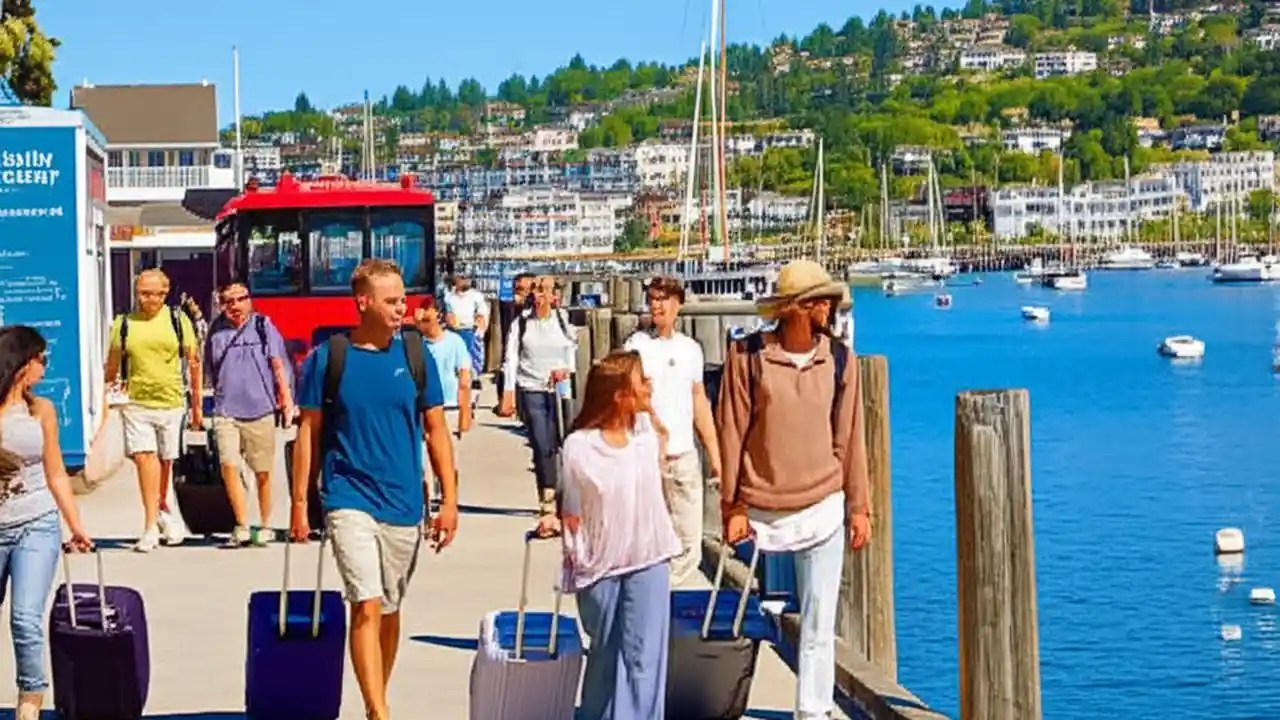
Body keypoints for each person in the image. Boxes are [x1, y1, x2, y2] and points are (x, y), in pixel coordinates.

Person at [290, 258, 458, 720]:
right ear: (362, 302)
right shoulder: (330, 357)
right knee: (364, 601)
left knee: (388, 606)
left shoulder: (416, 355)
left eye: (403, 299)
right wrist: (300, 502)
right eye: (390, 301)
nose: (401, 308)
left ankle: (373, 698)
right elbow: (308, 431)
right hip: (348, 497)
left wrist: (450, 501)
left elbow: (437, 431)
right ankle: (380, 712)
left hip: (404, 502)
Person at [716, 259, 871, 720]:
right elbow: (731, 433)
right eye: (819, 299)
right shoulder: (747, 358)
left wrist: (859, 507)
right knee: (750, 611)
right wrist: (732, 505)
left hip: (824, 503)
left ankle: (813, 710)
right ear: (796, 308)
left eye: (828, 298)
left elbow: (850, 436)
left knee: (821, 620)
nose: (828, 306)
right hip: (761, 508)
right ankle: (720, 690)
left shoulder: (841, 358)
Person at [559, 350, 679, 720]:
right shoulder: (579, 446)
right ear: (618, 394)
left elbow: (663, 446)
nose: (649, 386)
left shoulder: (646, 439)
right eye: (640, 381)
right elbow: (572, 508)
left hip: (650, 557)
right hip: (599, 564)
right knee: (605, 657)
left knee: (644, 660)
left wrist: (649, 411)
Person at [0, 326, 94, 720]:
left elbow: (57, 472)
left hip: (36, 522)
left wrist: (76, 525)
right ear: (20, 363)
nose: (44, 367)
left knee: (25, 617)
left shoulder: (42, 410)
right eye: (41, 359)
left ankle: (30, 702)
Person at [622, 276, 720, 588]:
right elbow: (629, 399)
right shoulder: (636, 345)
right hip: (647, 457)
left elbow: (698, 401)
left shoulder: (691, 349)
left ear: (677, 304)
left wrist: (716, 456)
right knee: (649, 539)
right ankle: (653, 603)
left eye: (663, 298)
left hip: (683, 455)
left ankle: (667, 598)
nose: (657, 304)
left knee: (689, 542)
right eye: (652, 298)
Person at [103, 268, 201, 552]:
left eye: (156, 294)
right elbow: (112, 364)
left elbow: (194, 364)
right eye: (145, 293)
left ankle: (164, 511)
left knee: (166, 463)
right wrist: (105, 398)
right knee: (146, 460)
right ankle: (149, 527)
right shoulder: (124, 324)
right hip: (137, 403)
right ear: (137, 293)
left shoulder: (177, 319)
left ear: (165, 293)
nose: (150, 299)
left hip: (171, 403)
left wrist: (196, 408)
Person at [205, 282, 294, 547]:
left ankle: (265, 525)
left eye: (241, 299)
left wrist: (286, 401)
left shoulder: (263, 326)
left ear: (249, 300)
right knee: (228, 465)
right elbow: (209, 367)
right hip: (226, 410)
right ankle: (242, 524)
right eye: (229, 301)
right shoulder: (216, 331)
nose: (235, 306)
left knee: (263, 471)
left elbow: (278, 365)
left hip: (260, 409)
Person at [497, 275, 577, 537]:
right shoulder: (522, 323)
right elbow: (511, 357)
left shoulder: (563, 321)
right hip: (530, 387)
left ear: (555, 296)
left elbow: (572, 350)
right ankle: (547, 499)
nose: (541, 296)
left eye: (546, 291)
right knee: (542, 444)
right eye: (537, 291)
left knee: (563, 445)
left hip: (560, 389)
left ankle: (566, 499)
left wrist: (566, 370)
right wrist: (508, 392)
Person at [495, 272, 535, 407]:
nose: (521, 294)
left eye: (525, 290)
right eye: (517, 289)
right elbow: (509, 354)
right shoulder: (510, 313)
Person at [443, 273, 490, 377]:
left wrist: (477, 330)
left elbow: (482, 316)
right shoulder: (449, 297)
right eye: (462, 278)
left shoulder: (477, 296)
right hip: (454, 332)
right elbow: (448, 314)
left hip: (471, 332)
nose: (464, 281)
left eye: (466, 278)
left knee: (472, 364)